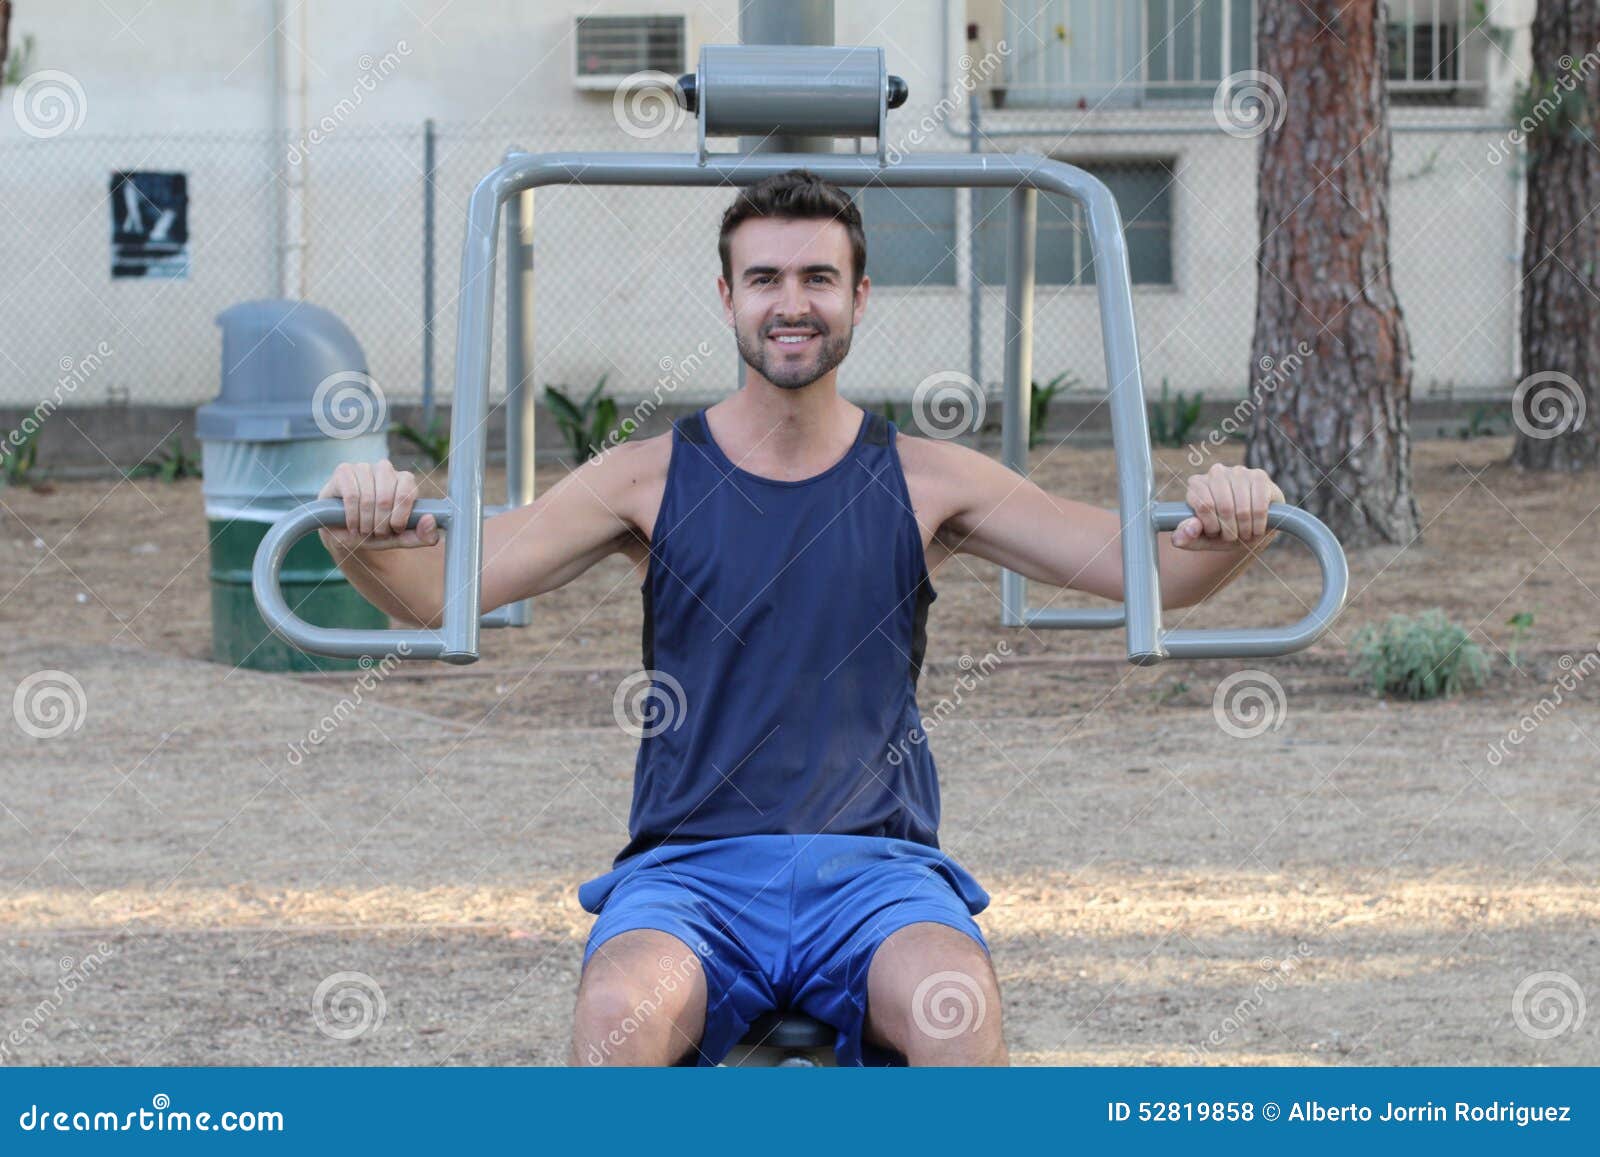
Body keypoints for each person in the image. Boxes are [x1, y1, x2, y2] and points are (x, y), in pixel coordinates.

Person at [318, 169, 1285, 1067]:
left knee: (955, 1008)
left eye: (819, 278)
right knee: (617, 1016)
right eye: (765, 279)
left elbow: (1149, 571)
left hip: (877, 872)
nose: (792, 303)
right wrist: (353, 527)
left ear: (859, 297)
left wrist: (1237, 520)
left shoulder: (927, 478)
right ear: (727, 297)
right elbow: (436, 593)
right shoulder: (646, 478)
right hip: (691, 874)